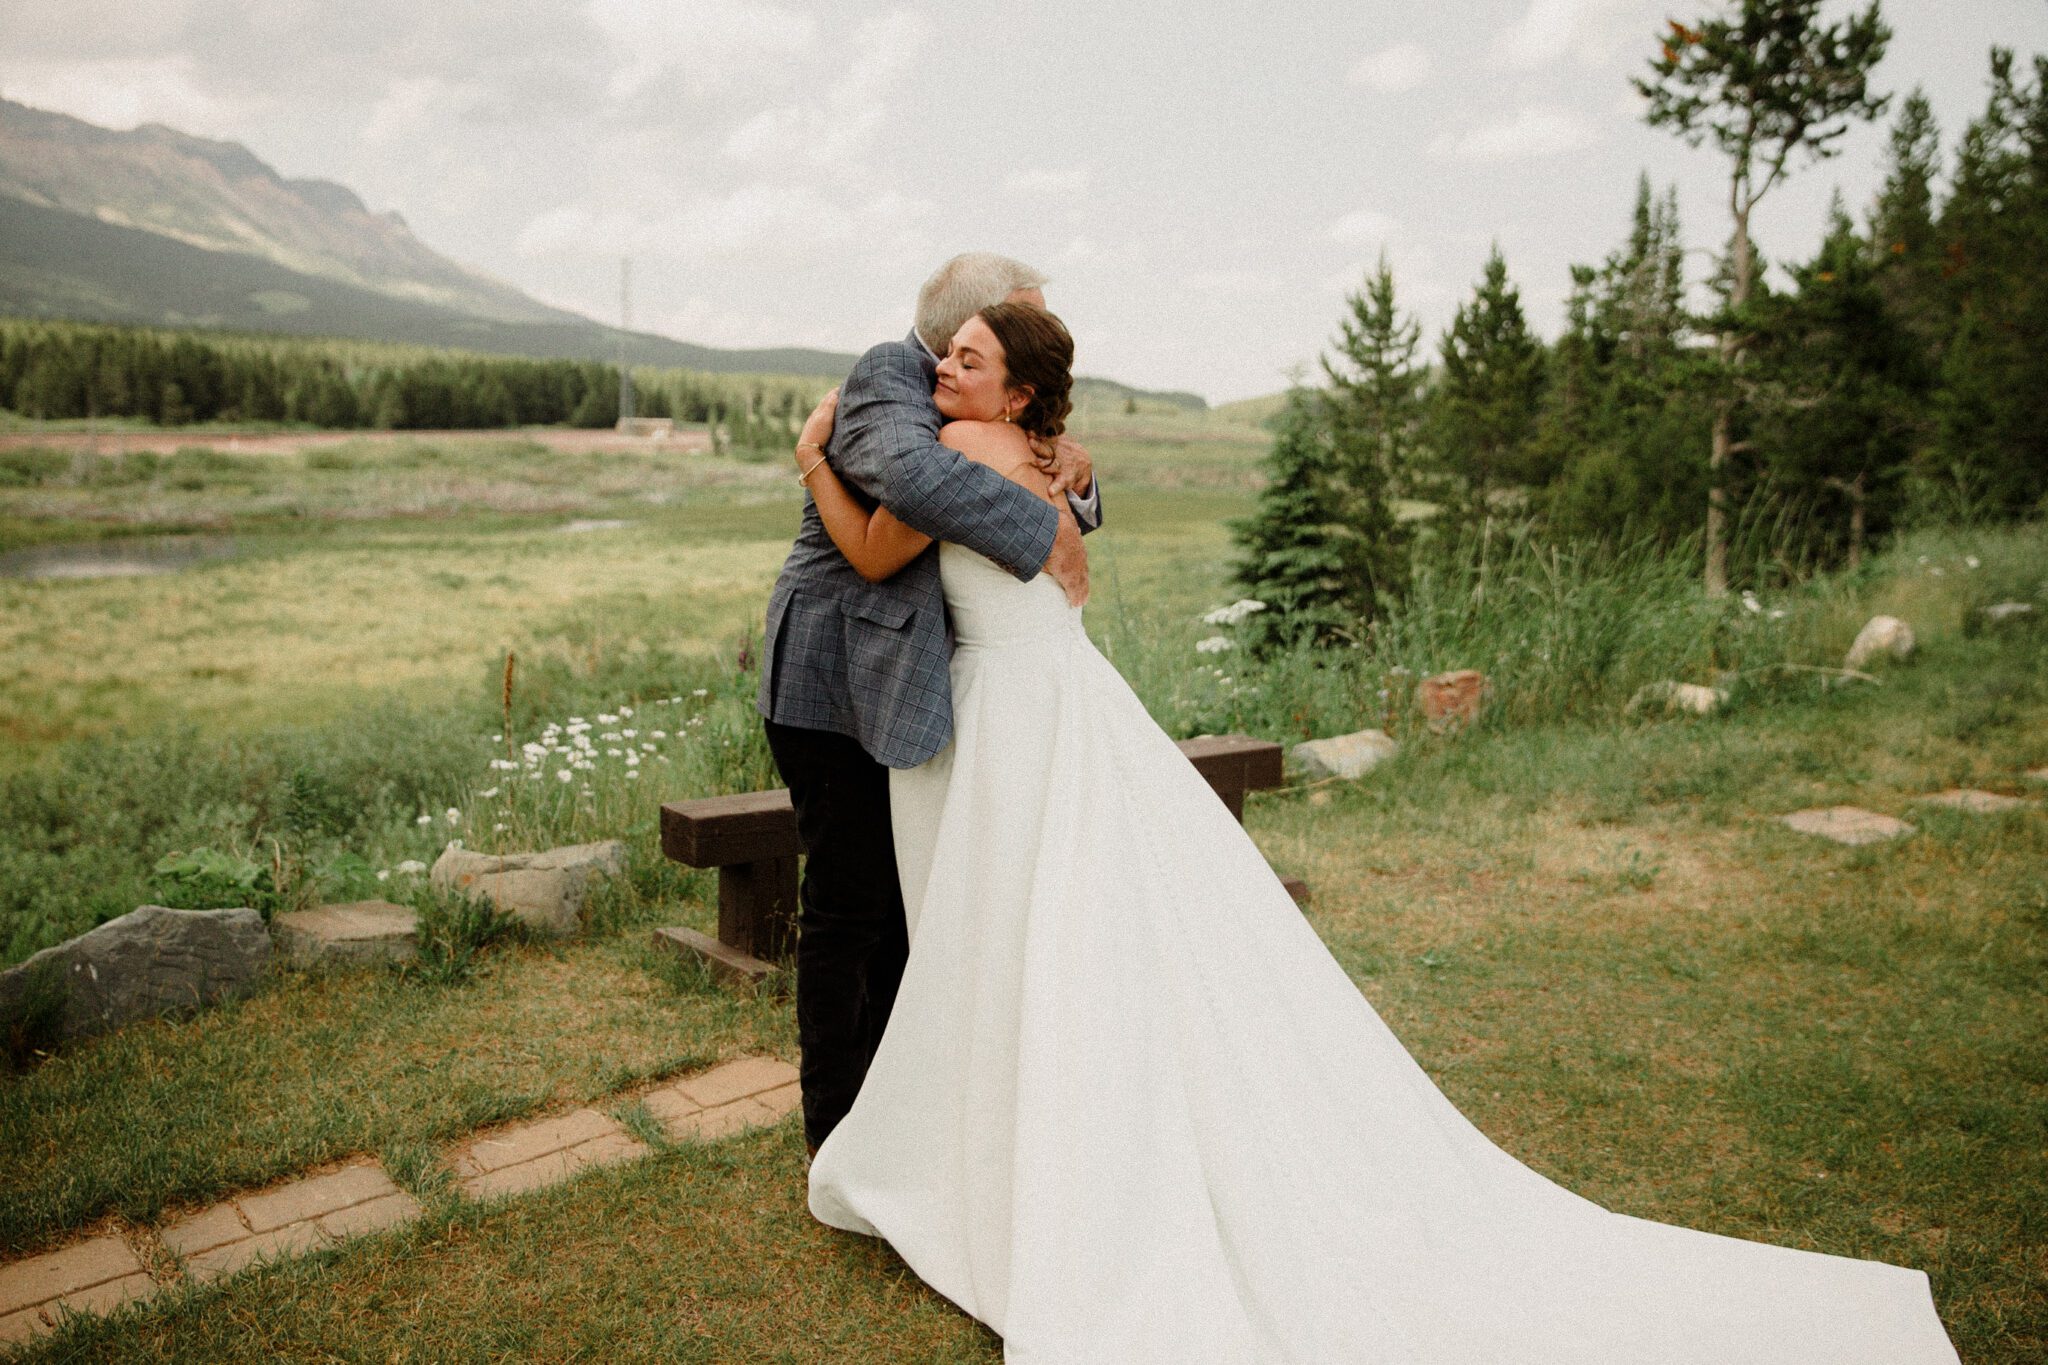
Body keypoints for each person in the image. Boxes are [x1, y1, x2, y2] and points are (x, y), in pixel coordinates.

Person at [786, 300, 1959, 1364]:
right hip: (1059, 699)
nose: (943, 368)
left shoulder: (959, 446)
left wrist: (811, 464)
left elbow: (876, 547)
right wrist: (1063, 477)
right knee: (1074, 935)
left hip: (1014, 714)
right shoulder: (1041, 456)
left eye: (969, 358)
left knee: (1005, 935)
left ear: (1017, 395)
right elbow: (1048, 510)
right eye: (947, 352)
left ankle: (1011, 1165)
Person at [756, 253, 1101, 1157]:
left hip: (907, 686)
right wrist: (1049, 525)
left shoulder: (974, 407)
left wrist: (1072, 474)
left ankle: (904, 1114)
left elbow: (1021, 468)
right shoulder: (890, 375)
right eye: (1022, 318)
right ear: (968, 326)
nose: (1038, 331)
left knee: (908, 907)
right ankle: (836, 1133)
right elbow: (919, 484)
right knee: (848, 909)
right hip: (834, 678)